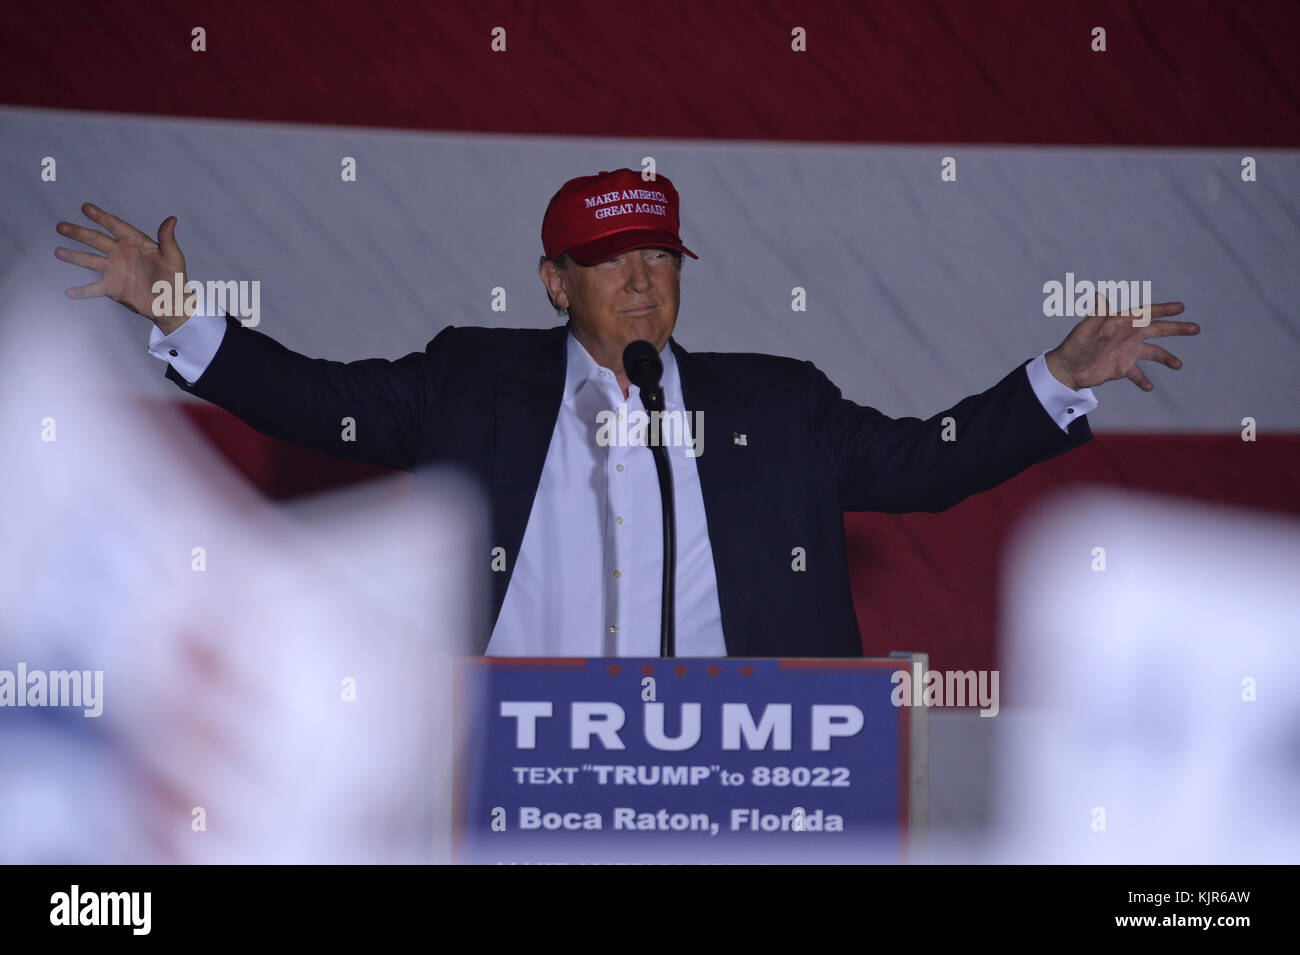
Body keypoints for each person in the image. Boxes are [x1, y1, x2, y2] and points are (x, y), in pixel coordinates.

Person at [54, 168, 1198, 657]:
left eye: (660, 255)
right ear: (555, 283)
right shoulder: (470, 381)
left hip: (727, 785)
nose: (644, 280)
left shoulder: (776, 400)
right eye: (612, 261)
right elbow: (320, 404)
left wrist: (1055, 374)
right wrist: (186, 321)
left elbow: (922, 465)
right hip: (516, 776)